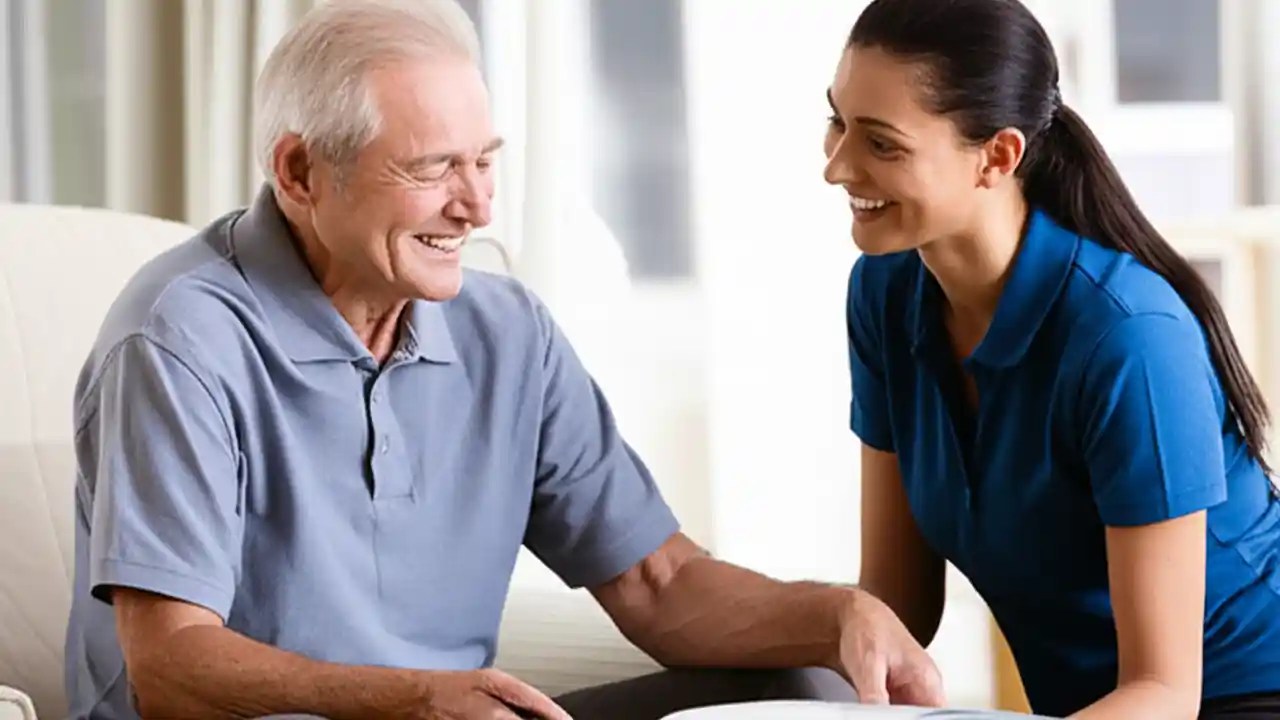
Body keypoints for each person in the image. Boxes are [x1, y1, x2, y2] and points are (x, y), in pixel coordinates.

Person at [62, 1, 946, 719]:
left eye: (485, 161)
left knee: (812, 687)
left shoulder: (506, 330)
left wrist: (836, 613)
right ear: (299, 173)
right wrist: (413, 701)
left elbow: (657, 581)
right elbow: (171, 667)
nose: (477, 207)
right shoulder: (179, 339)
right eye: (434, 167)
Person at [824, 0, 1280, 718]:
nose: (836, 167)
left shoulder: (1129, 336)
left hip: (1240, 696)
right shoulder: (883, 294)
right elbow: (899, 606)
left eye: (882, 144)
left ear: (998, 156)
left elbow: (1164, 692)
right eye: (837, 122)